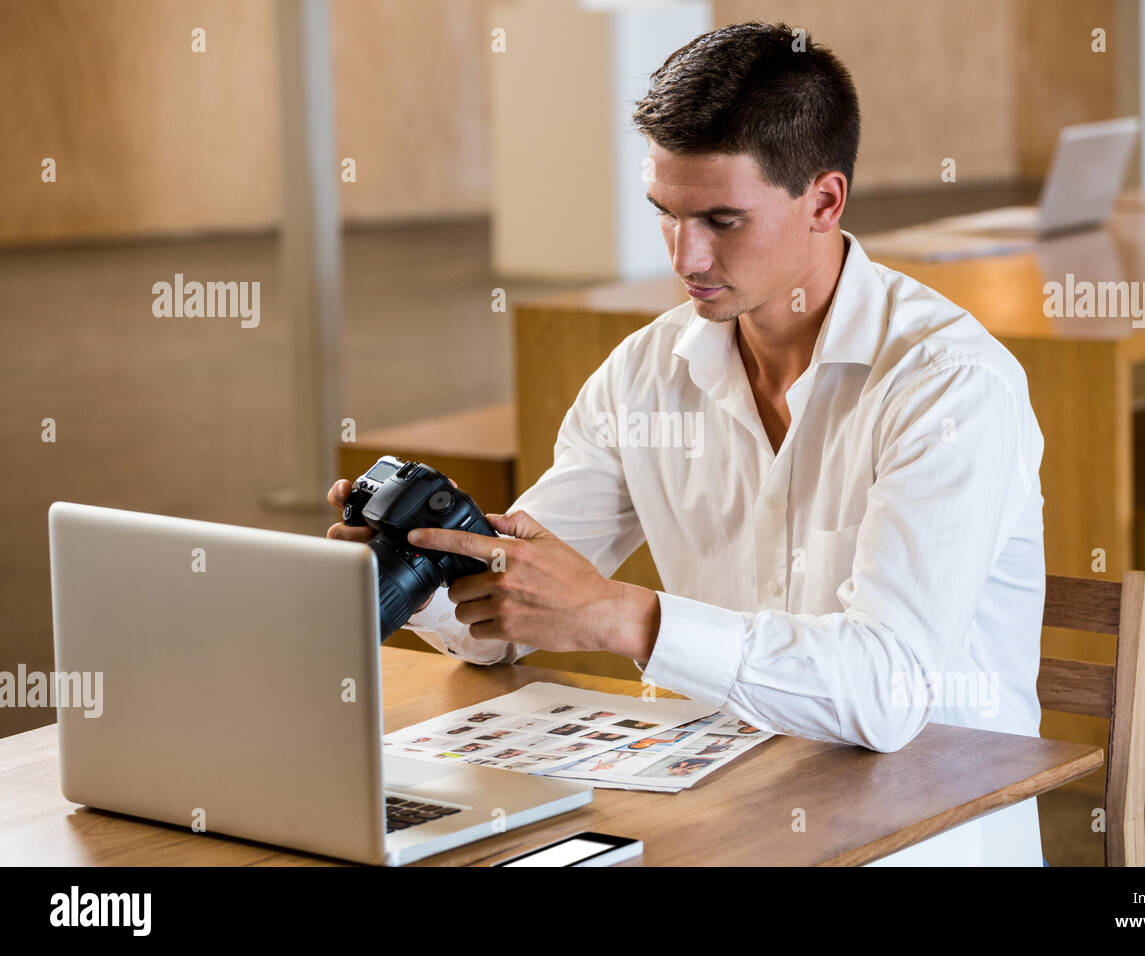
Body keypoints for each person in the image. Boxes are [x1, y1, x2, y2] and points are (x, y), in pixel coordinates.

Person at [327, 21, 1046, 865]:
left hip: (924, 834)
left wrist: (625, 616)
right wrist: (426, 565)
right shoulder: (645, 374)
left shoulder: (949, 385)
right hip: (721, 814)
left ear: (825, 201)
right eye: (666, 215)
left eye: (721, 220)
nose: (685, 256)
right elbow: (502, 630)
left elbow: (884, 691)